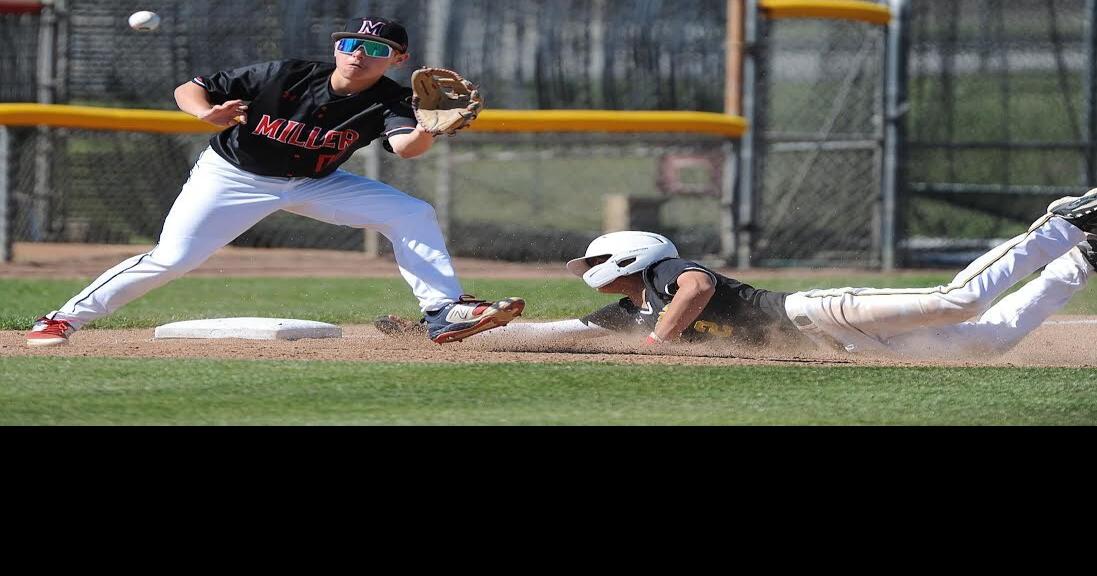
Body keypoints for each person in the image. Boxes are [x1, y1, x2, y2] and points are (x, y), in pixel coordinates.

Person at [26, 16, 523, 348]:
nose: (358, 53)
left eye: (375, 47)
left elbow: (404, 149)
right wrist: (206, 113)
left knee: (411, 212)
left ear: (396, 59)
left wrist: (428, 128)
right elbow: (191, 88)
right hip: (233, 177)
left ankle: (441, 312)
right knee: (173, 258)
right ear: (337, 48)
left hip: (314, 182)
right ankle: (63, 318)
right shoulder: (284, 74)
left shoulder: (392, 100)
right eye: (350, 43)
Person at [377, 191, 1097, 360]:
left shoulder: (670, 276)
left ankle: (1063, 221)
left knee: (953, 300)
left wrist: (659, 341)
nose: (589, 274)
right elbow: (557, 333)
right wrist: (465, 328)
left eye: (596, 261)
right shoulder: (627, 313)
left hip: (819, 314)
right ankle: (1079, 260)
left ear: (631, 256)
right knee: (986, 340)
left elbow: (693, 294)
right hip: (842, 348)